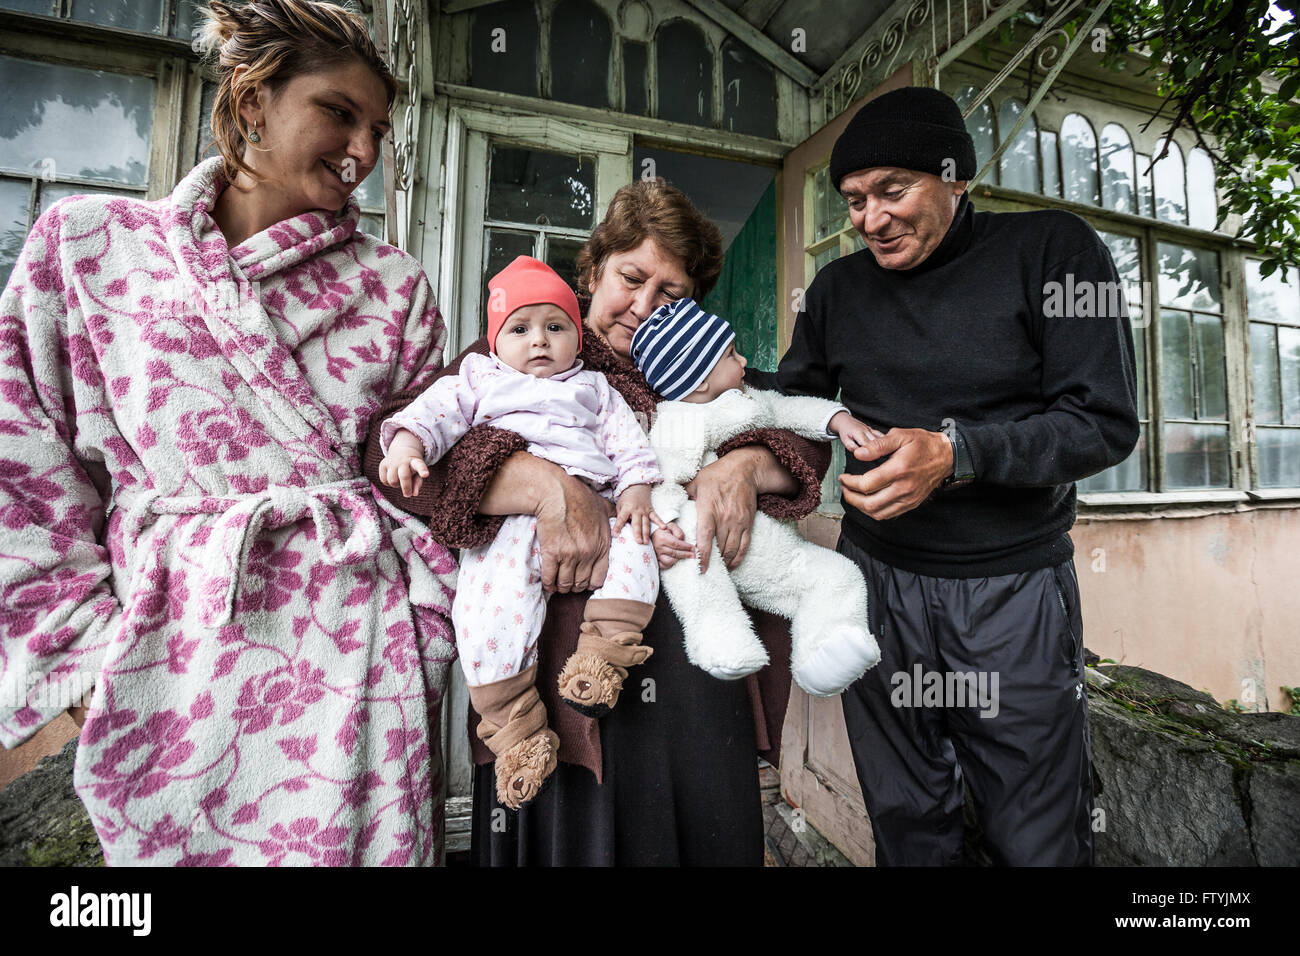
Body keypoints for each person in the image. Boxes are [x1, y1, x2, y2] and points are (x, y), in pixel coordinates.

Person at [0, 0, 458, 866]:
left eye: (378, 129)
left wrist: (423, 624)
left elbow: (429, 477)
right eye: (338, 112)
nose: (364, 150)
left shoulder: (394, 286)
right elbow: (22, 462)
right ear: (252, 99)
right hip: (166, 665)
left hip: (358, 665)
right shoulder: (90, 247)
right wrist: (80, 662)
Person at [364, 179, 831, 866]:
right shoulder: (520, 351)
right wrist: (545, 486)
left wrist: (744, 467)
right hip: (549, 670)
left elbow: (802, 433)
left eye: (670, 293)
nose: (643, 308)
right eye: (630, 278)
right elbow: (394, 441)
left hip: (693, 684)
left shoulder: (706, 370)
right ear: (593, 271)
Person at [778, 86, 1141, 866]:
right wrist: (736, 446)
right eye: (853, 200)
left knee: (1035, 834)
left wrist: (956, 453)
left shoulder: (1053, 251)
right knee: (907, 822)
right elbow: (798, 404)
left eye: (892, 190)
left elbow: (1103, 421)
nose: (870, 219)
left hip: (1010, 593)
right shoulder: (838, 290)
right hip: (874, 586)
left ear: (957, 176)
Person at [377, 255, 661, 810]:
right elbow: (433, 412)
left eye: (556, 327)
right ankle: (515, 730)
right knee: (487, 612)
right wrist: (409, 446)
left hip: (598, 509)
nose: (539, 341)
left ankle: (604, 653)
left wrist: (636, 493)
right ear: (495, 340)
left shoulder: (597, 387)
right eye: (520, 328)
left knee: (639, 547)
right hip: (508, 526)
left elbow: (629, 444)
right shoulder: (479, 377)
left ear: (575, 339)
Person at [632, 296, 881, 695]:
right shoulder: (677, 423)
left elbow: (790, 410)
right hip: (704, 547)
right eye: (731, 354)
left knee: (838, 575)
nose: (744, 361)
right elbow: (659, 480)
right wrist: (661, 528)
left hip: (773, 552)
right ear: (698, 380)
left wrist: (836, 418)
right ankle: (718, 641)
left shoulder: (748, 399)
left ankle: (823, 658)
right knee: (694, 569)